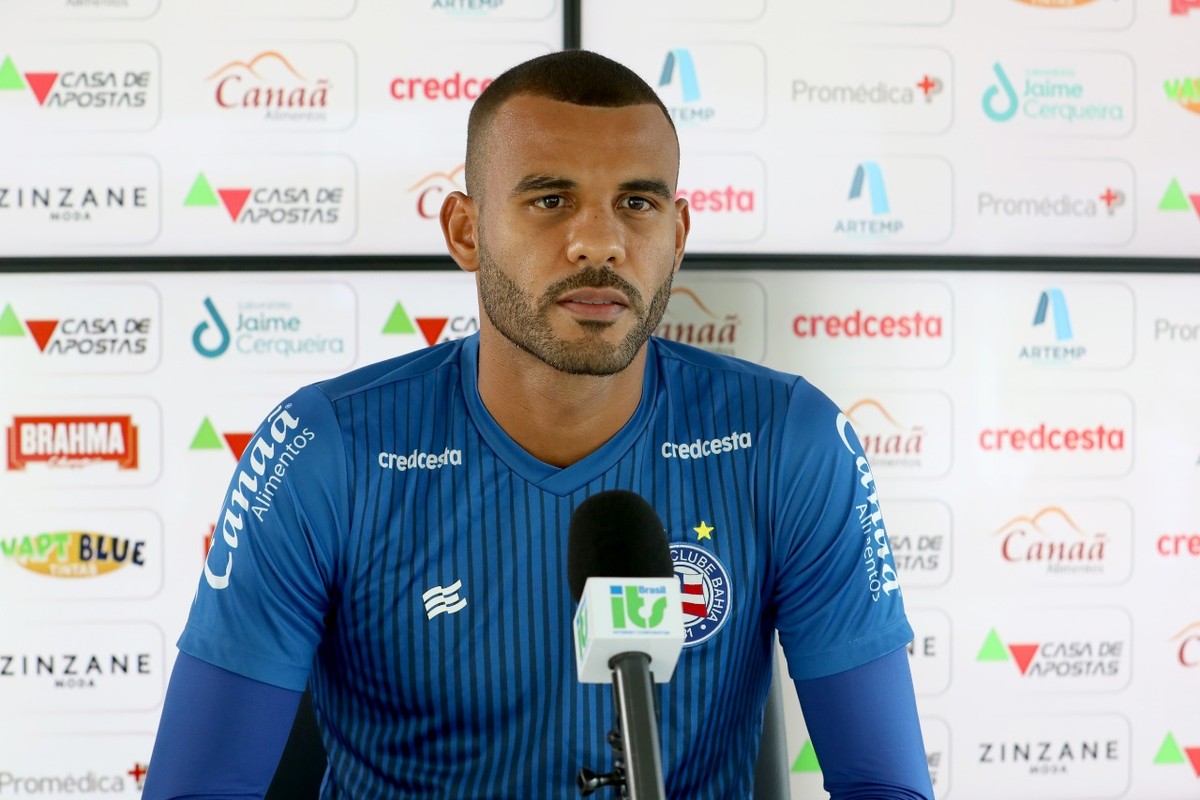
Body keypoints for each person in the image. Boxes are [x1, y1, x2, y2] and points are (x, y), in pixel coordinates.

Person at [143, 49, 933, 800]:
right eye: (550, 199)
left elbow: (885, 784)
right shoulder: (326, 450)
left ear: (679, 236)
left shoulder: (787, 441)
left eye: (638, 201)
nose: (601, 241)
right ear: (465, 232)